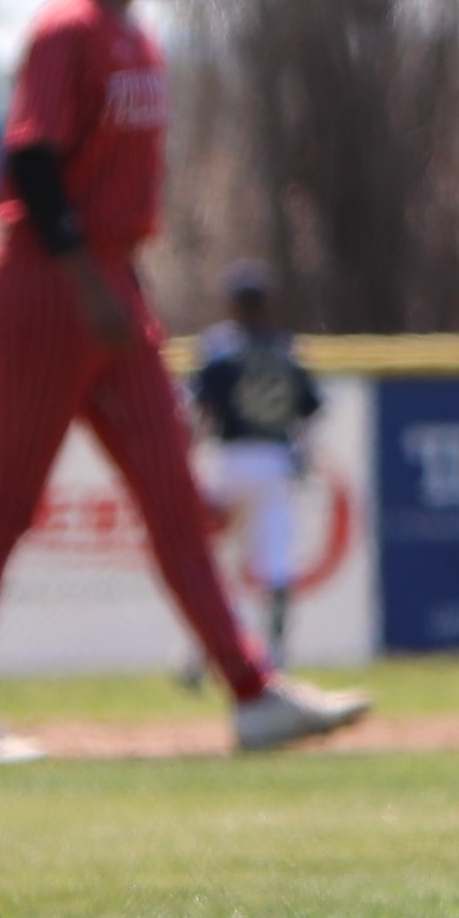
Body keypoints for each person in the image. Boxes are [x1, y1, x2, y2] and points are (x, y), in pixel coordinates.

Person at [0, 0, 371, 764]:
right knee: (7, 507)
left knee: (175, 499)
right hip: (51, 285)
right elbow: (33, 162)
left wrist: (117, 283)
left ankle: (253, 693)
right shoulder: (69, 28)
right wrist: (87, 282)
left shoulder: (137, 33)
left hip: (109, 281)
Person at [191, 260, 325, 672]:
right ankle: (276, 653)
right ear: (268, 305)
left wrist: (192, 455)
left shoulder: (220, 347)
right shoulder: (286, 349)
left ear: (233, 305)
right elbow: (310, 410)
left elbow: (200, 407)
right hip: (275, 460)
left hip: (230, 460)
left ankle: (202, 654)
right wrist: (303, 457)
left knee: (208, 561)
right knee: (276, 562)